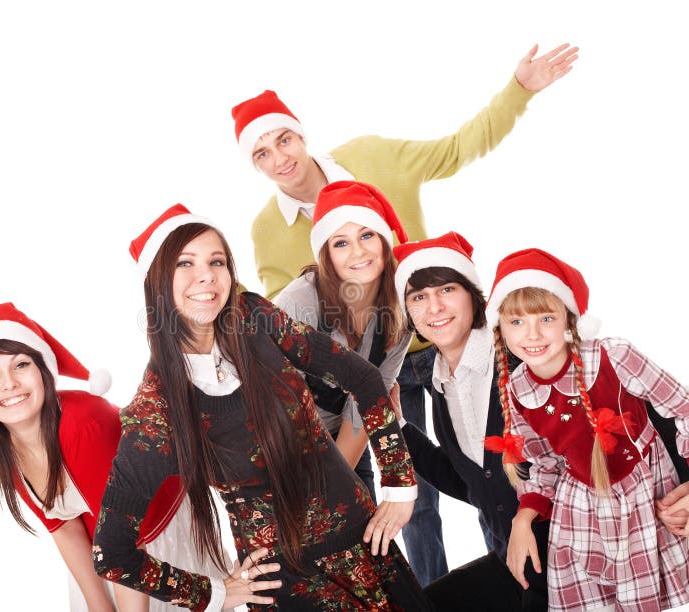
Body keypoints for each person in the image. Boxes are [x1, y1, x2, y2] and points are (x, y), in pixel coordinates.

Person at [231, 41, 579, 585]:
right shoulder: (268, 233)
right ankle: (421, 591)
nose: (280, 159)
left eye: (284, 139)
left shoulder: (373, 156)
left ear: (301, 133)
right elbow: (297, 339)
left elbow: (455, 150)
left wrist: (518, 91)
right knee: (405, 496)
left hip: (435, 342)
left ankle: (515, 575)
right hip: (358, 369)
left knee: (487, 465)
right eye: (261, 154)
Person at [92, 204, 431, 610]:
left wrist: (399, 484)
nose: (206, 275)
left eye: (217, 261)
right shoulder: (155, 410)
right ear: (157, 283)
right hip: (288, 584)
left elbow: (361, 376)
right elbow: (111, 553)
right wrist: (213, 593)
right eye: (185, 263)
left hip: (366, 543)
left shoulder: (254, 317)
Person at [0, 302, 221, 611]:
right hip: (100, 549)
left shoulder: (84, 426)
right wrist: (98, 604)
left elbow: (123, 544)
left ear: (44, 371)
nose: (9, 384)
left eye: (21, 365)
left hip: (151, 536)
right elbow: (63, 526)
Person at [484, 248, 689, 611]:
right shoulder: (518, 389)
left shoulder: (614, 357)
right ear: (501, 327)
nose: (532, 334)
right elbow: (545, 465)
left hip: (642, 499)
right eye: (516, 322)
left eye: (546, 318)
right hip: (579, 513)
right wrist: (523, 517)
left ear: (569, 319)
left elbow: (683, 408)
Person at [389, 232, 548, 611]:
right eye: (418, 297)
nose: (434, 307)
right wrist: (401, 427)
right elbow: (471, 484)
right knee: (421, 605)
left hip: (566, 554)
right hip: (512, 561)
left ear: (473, 295)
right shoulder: (441, 381)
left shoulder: (518, 356)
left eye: (447, 289)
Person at [274, 180, 412, 501]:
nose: (358, 252)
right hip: (282, 442)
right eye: (341, 243)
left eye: (367, 235)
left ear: (384, 241)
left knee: (362, 522)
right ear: (327, 255)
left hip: (344, 440)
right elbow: (274, 400)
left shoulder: (400, 313)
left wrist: (333, 487)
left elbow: (364, 408)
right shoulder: (300, 302)